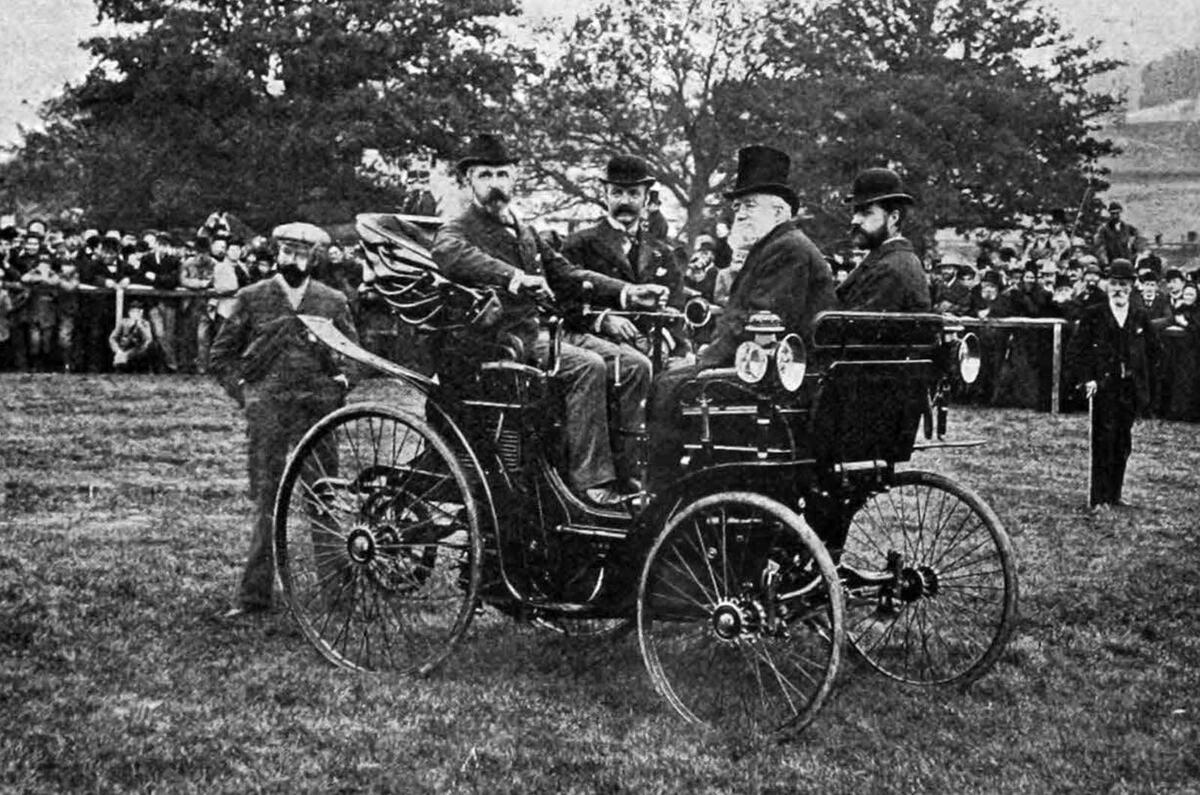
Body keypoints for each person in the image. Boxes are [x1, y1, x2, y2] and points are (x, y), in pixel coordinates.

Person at [431, 133, 668, 507]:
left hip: (543, 334)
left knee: (634, 365)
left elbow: (566, 272)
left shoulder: (524, 231)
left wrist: (625, 291)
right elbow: (450, 255)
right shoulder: (458, 229)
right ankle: (590, 483)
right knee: (587, 367)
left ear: (514, 179)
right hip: (502, 341)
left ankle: (627, 474)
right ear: (469, 181)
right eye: (485, 176)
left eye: (502, 175)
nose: (495, 184)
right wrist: (513, 277)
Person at [647, 144, 835, 482]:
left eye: (749, 206)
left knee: (665, 385)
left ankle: (661, 492)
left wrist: (706, 358)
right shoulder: (778, 246)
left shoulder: (786, 250)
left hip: (774, 379)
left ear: (779, 212)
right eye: (738, 207)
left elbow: (761, 320)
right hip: (778, 372)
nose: (741, 215)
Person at [209, 221, 358, 618]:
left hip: (317, 414)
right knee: (266, 502)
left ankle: (339, 601)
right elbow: (220, 356)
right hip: (269, 412)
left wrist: (339, 386)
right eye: (288, 250)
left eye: (304, 252)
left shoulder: (332, 300)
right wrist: (247, 395)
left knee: (324, 500)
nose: (295, 259)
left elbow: (356, 357)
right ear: (277, 252)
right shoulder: (252, 296)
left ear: (316, 258)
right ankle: (253, 599)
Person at [561, 154, 682, 484]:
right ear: (605, 196)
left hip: (651, 343)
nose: (624, 201)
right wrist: (603, 320)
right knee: (636, 367)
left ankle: (671, 472)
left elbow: (677, 308)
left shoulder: (662, 252)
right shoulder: (580, 244)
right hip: (592, 338)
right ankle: (629, 475)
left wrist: (674, 343)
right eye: (617, 193)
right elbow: (563, 302)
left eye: (632, 194)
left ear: (646, 198)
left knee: (685, 377)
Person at [1066, 259, 1159, 509]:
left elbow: (1154, 350)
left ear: (1132, 287)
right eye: (1115, 284)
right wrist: (1087, 379)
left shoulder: (1139, 315)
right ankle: (1098, 499)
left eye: (1124, 284)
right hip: (1103, 387)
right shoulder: (1094, 314)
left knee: (1122, 442)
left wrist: (1142, 378)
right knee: (1103, 440)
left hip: (1129, 387)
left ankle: (1115, 495)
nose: (1119, 289)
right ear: (1108, 284)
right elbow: (1077, 351)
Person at [836, 167, 932, 312]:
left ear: (893, 218)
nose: (855, 221)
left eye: (866, 213)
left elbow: (858, 328)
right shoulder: (888, 260)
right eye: (855, 213)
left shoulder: (891, 267)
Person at [1093, 202, 1137, 266]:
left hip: (1127, 260)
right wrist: (1104, 259)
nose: (1115, 216)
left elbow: (1138, 238)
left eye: (1117, 213)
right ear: (1110, 214)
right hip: (1111, 261)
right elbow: (1099, 245)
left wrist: (1132, 244)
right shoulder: (1104, 229)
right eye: (1113, 214)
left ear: (1121, 213)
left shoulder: (1128, 227)